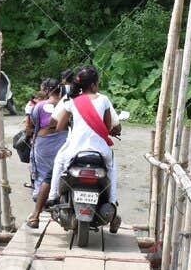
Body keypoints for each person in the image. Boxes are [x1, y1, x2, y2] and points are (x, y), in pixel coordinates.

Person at [48, 64, 120, 226]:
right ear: (94, 85)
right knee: (112, 167)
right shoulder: (104, 100)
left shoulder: (72, 101)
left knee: (59, 163)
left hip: (75, 151)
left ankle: (52, 196)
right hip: (100, 151)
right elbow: (108, 128)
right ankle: (113, 201)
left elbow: (59, 126)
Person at [24, 78, 66, 227]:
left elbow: (33, 123)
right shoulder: (66, 104)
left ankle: (37, 212)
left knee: (42, 174)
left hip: (43, 144)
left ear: (47, 90)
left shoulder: (39, 106)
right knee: (61, 172)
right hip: (63, 143)